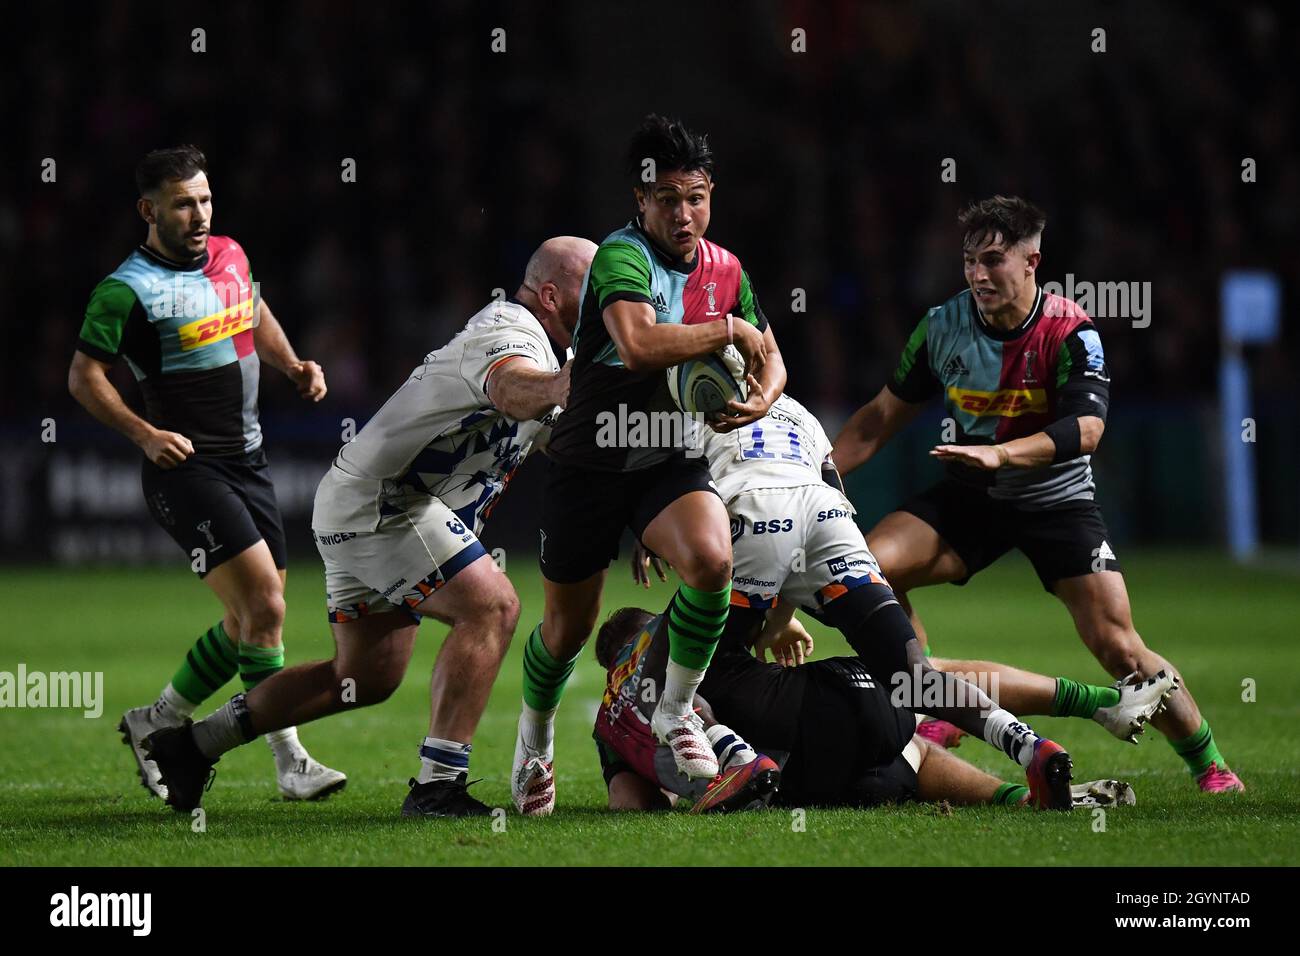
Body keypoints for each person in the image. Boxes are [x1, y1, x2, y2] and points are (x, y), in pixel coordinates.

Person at [143, 237, 595, 816]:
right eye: (594, 283)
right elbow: (510, 387)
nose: (608, 297)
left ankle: (190, 745)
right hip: (385, 503)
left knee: (362, 676)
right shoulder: (509, 329)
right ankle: (437, 788)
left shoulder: (552, 358)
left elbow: (571, 445)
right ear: (552, 295)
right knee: (492, 607)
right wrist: (565, 387)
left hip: (369, 501)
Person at [832, 195, 1242, 793]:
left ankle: (1211, 766)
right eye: (970, 260)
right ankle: (931, 704)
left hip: (1057, 499)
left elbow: (1089, 430)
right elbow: (877, 420)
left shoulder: (1072, 331)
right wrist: (815, 474)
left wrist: (1001, 452)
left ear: (1032, 262)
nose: (977, 274)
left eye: (993, 260)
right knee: (868, 571)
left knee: (1119, 648)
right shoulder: (941, 327)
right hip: (972, 495)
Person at [510, 115, 787, 816]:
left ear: (710, 194)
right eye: (666, 199)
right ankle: (535, 735)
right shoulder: (620, 257)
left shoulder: (727, 270)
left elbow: (771, 355)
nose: (683, 213)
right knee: (567, 630)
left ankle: (674, 711)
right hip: (590, 460)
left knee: (711, 561)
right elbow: (635, 345)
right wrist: (728, 330)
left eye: (694, 197)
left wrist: (763, 398)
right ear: (640, 202)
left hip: (666, 454)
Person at [635, 392, 1090, 808]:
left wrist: (649, 538)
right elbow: (833, 484)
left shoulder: (683, 404)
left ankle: (737, 762)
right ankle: (1031, 747)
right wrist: (788, 599)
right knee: (915, 675)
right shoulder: (794, 407)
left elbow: (676, 496)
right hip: (828, 516)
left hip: (752, 515)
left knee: (680, 669)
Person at [69, 145, 343, 802]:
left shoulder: (231, 254)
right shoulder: (126, 290)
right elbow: (84, 376)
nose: (199, 214)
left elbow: (252, 312)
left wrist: (293, 364)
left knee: (247, 620)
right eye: (184, 203)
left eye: (205, 200)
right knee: (268, 606)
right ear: (149, 210)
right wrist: (144, 432)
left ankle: (155, 721)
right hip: (186, 468)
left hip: (249, 461)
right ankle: (290, 758)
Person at [593, 608, 1136, 813]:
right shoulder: (687, 616)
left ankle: (1013, 790)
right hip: (855, 694)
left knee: (906, 743)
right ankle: (1074, 720)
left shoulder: (610, 707)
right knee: (923, 680)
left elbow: (631, 803)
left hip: (800, 762)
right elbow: (757, 572)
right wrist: (783, 616)